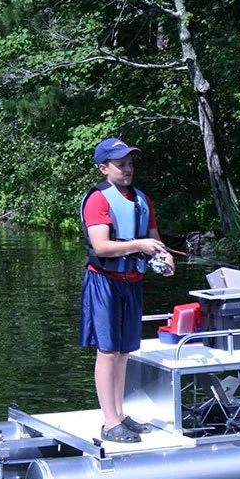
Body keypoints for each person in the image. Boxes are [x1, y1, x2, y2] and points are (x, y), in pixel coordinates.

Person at [80, 138, 175, 444]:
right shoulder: (98, 199)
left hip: (131, 282)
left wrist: (165, 257)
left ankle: (120, 415)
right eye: (120, 164)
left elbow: (154, 240)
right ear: (103, 167)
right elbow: (102, 246)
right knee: (108, 351)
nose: (127, 169)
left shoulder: (142, 199)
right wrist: (139, 246)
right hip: (105, 283)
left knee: (124, 353)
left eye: (130, 164)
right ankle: (110, 423)